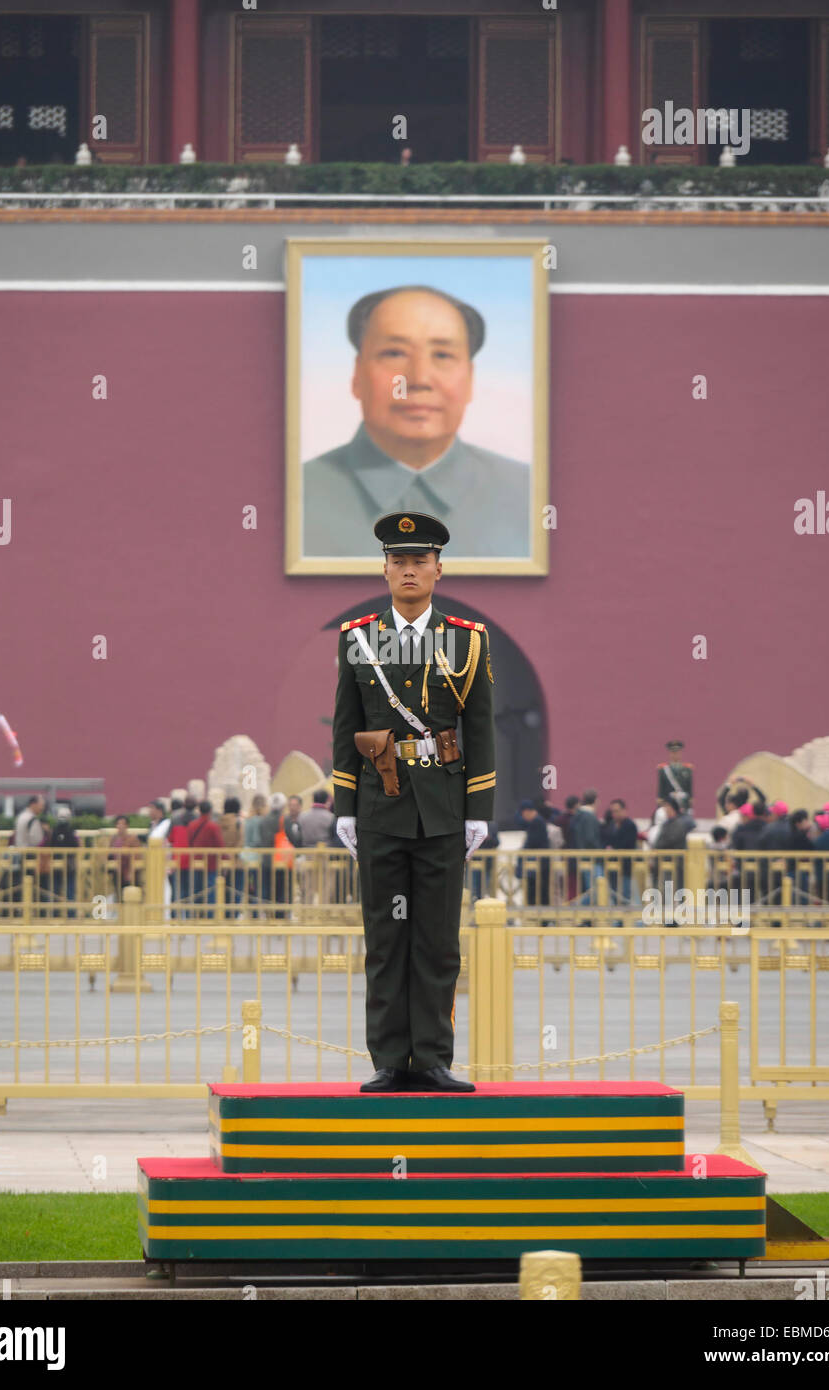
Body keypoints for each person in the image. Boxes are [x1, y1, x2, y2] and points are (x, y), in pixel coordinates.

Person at [331, 510, 495, 1092]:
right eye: (398, 561)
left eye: (419, 561)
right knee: (384, 936)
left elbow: (480, 728)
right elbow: (346, 727)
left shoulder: (467, 642)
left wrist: (479, 811)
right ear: (384, 570)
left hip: (444, 810)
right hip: (380, 807)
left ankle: (430, 1057)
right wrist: (344, 808)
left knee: (435, 939)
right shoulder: (359, 640)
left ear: (437, 570)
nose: (408, 571)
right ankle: (387, 1059)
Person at [302, 287, 530, 558]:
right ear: (357, 375)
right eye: (394, 353)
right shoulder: (295, 496)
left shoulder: (531, 496)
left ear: (470, 380)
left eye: (443, 355)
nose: (419, 379)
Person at [187, 801, 225, 915]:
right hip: (211, 863)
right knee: (210, 891)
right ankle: (210, 916)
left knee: (196, 890)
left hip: (195, 862)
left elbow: (189, 842)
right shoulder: (213, 826)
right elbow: (220, 845)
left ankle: (195, 915)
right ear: (210, 811)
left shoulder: (192, 825)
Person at [601, 797, 638, 912]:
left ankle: (624, 921)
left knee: (625, 895)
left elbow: (628, 844)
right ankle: (617, 920)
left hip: (625, 866)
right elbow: (605, 840)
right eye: (613, 811)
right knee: (613, 894)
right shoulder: (610, 825)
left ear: (624, 810)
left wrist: (614, 849)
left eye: (617, 811)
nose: (614, 814)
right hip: (611, 867)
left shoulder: (630, 825)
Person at [515, 800, 550, 913]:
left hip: (538, 864)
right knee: (539, 891)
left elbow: (532, 842)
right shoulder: (538, 821)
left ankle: (538, 918)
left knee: (537, 892)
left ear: (527, 812)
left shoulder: (537, 822)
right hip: (538, 864)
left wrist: (522, 851)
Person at [49, 806, 79, 918]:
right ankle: (70, 914)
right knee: (69, 890)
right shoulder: (71, 831)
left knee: (57, 889)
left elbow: (51, 845)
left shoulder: (55, 831)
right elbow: (76, 845)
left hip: (57, 863)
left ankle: (55, 913)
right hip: (69, 864)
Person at [657, 740, 693, 811]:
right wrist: (662, 802)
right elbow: (661, 790)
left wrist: (689, 802)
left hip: (683, 804)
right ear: (670, 754)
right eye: (673, 752)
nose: (675, 754)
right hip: (669, 805)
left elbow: (689, 790)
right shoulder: (663, 770)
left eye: (677, 752)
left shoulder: (687, 769)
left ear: (680, 753)